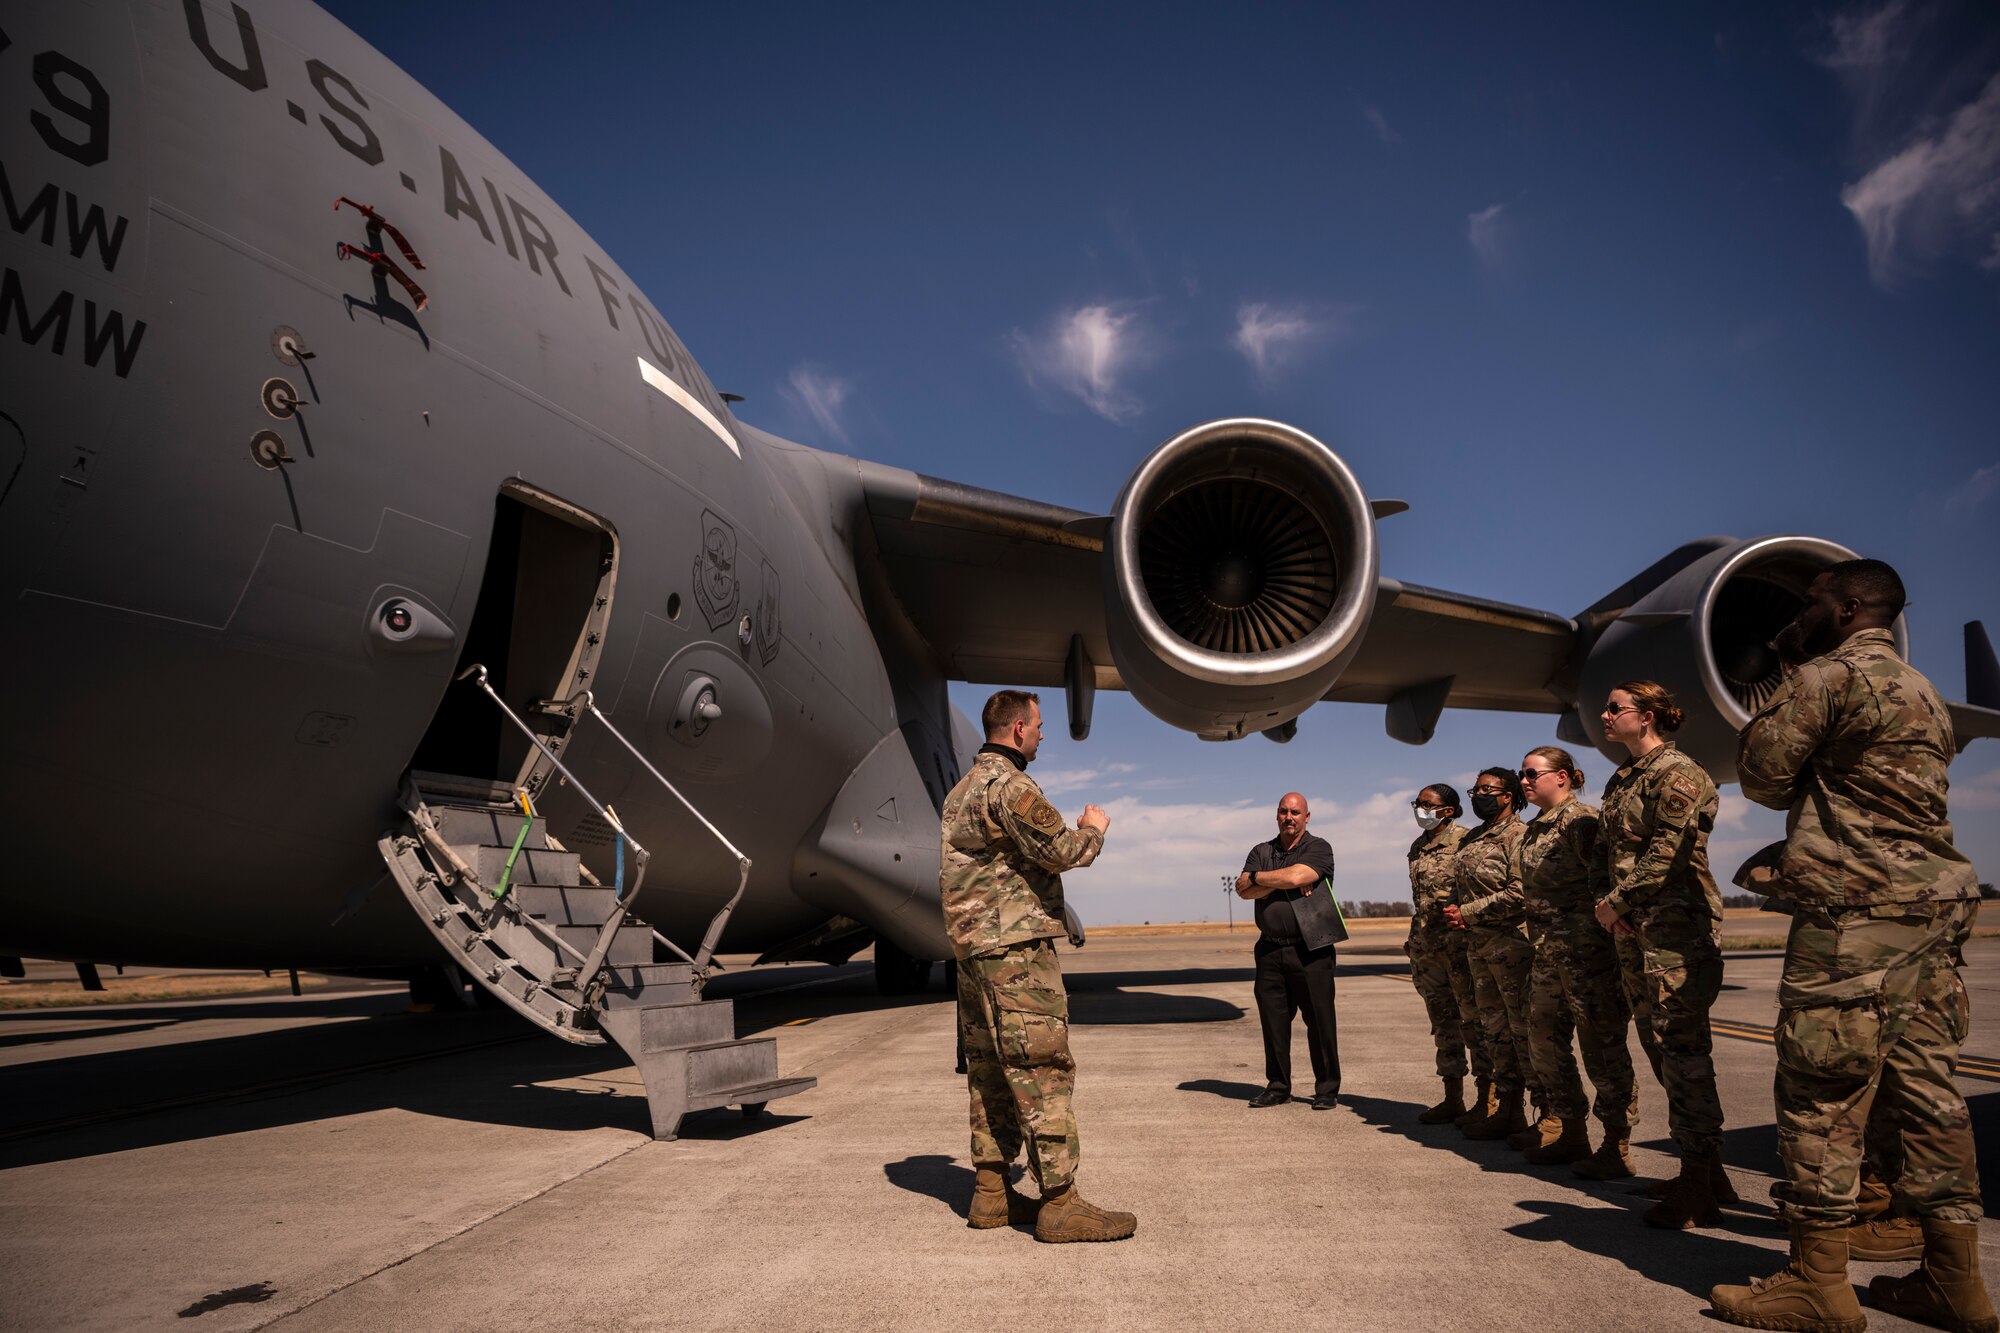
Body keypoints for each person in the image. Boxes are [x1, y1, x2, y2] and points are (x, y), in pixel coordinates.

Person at [1711, 560, 1992, 1332]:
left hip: (1856, 911)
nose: (1799, 614)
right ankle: (1956, 1282)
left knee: (1821, 1093)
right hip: (1935, 909)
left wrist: (1781, 669)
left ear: (1849, 607)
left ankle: (1817, 1284)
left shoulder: (1826, 676)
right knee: (1929, 1092)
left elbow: (1762, 775)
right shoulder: (1924, 690)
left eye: (1812, 602)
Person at [941, 689, 1132, 1244]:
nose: (1043, 733)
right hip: (1016, 954)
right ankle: (1060, 1203)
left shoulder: (960, 792)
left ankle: (991, 1194)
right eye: (1039, 725)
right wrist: (1094, 827)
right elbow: (1064, 851)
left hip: (974, 955)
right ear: (1019, 729)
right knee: (1043, 1069)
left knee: (990, 1072)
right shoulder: (1010, 787)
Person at [1593, 680, 1728, 1230]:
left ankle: (1698, 1183)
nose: (1605, 715)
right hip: (1635, 930)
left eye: (1615, 708)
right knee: (1658, 1047)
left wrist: (1617, 902)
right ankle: (1709, 1172)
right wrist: (1611, 908)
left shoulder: (1678, 773)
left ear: (1647, 716)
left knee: (1683, 1052)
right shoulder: (1623, 778)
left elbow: (1667, 851)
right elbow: (1609, 854)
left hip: (1676, 932)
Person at [1516, 746, 1638, 1174]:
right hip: (1548, 954)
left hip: (1589, 955)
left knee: (1602, 1049)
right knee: (1543, 1042)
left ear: (1563, 777)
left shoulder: (1581, 822)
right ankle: (1572, 1134)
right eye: (1522, 774)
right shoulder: (1535, 829)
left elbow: (1607, 881)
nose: (1524, 781)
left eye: (1532, 773)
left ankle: (1616, 1146)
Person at [1442, 767, 1534, 1141]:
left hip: (1512, 949)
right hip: (1478, 949)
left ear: (1507, 795)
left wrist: (1467, 912)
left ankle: (1548, 1115)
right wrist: (1455, 909)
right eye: (1476, 789)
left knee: (1523, 1032)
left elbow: (1519, 894)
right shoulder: (1473, 838)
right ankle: (1507, 1110)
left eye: (1486, 789)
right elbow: (1461, 885)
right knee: (1494, 1032)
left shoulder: (1519, 835)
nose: (1478, 795)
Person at [1235, 792, 1342, 1110]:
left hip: (1312, 949)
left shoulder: (1318, 848)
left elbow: (1297, 875)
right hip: (1270, 950)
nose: (1289, 817)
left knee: (1320, 1023)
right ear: (1276, 815)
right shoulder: (1261, 851)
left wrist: (1261, 879)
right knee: (1274, 1023)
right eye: (1283, 811)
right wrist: (1280, 880)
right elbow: (1243, 889)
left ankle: (1326, 1090)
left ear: (1307, 817)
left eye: (1295, 812)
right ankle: (1278, 1087)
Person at [1403, 783, 1489, 1125]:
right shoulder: (1417, 847)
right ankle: (1453, 1097)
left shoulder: (1467, 841)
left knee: (1474, 1023)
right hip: (1428, 950)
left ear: (1448, 810)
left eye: (1427, 804)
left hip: (1460, 950)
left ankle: (1487, 1099)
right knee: (1443, 1023)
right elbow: (1421, 900)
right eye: (1417, 803)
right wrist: (1414, 938)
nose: (1420, 809)